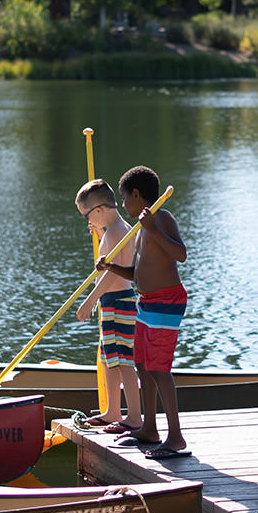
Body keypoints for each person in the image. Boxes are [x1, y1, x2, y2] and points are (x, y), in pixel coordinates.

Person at [96, 165, 190, 459]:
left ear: (137, 195)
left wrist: (152, 230)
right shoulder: (140, 227)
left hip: (166, 302)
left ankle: (175, 437)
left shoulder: (160, 218)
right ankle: (149, 428)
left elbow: (180, 254)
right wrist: (111, 267)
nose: (124, 205)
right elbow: (137, 273)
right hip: (146, 302)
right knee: (141, 364)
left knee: (159, 368)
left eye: (125, 198)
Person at [73, 178, 142, 433]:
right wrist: (100, 233)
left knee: (124, 360)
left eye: (88, 215)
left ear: (99, 210)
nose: (88, 220)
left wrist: (89, 301)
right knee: (108, 358)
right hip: (112, 302)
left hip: (118, 303)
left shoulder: (116, 233)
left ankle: (134, 416)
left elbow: (112, 275)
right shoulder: (114, 230)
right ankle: (113, 410)